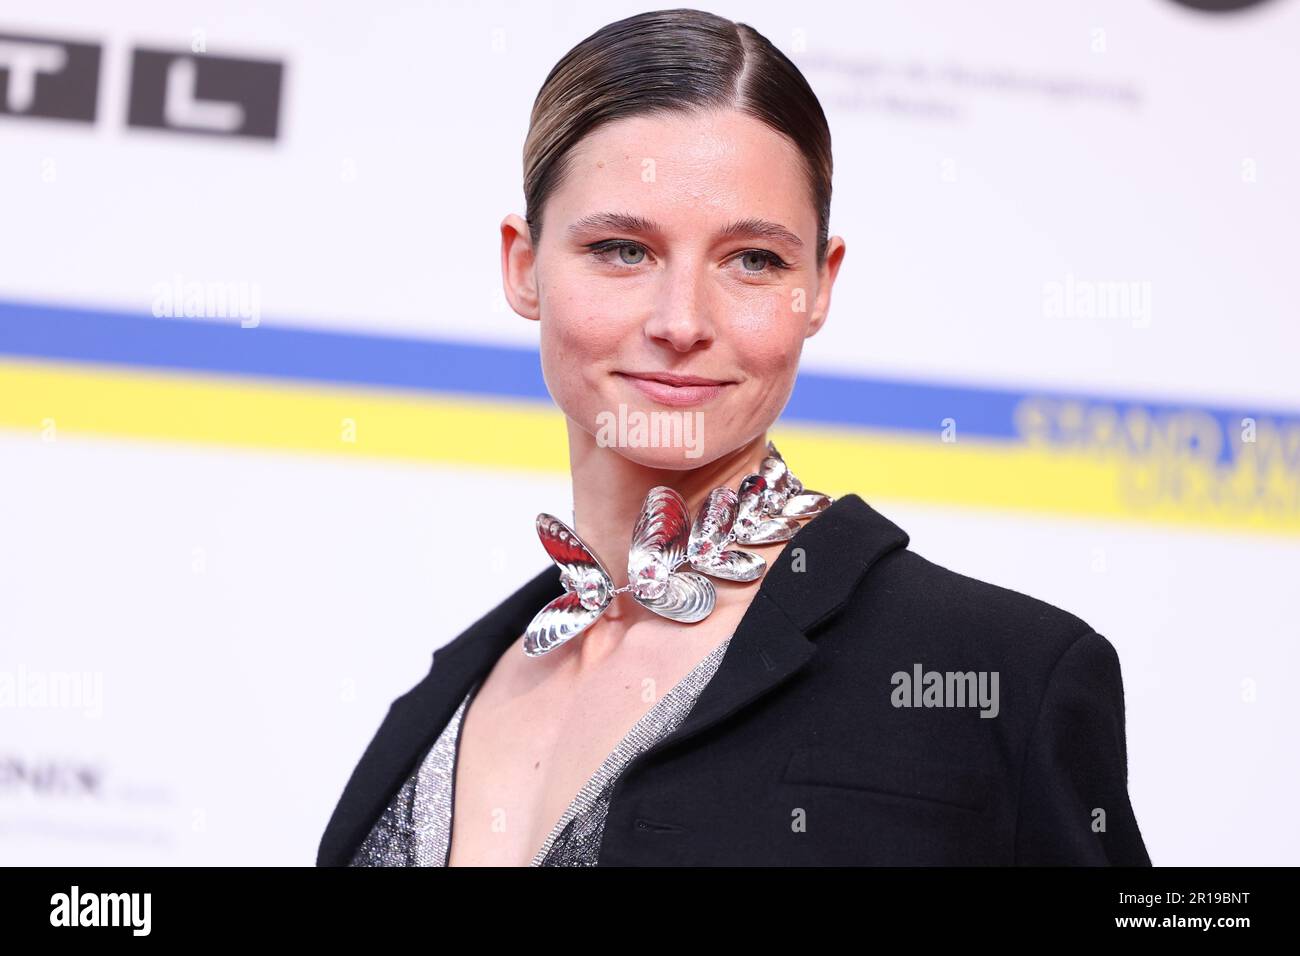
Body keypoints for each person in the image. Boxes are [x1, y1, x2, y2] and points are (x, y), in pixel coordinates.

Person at [317, 8, 1151, 867]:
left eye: (753, 260)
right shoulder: (437, 701)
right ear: (523, 267)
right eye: (620, 249)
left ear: (819, 288)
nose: (682, 323)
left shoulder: (1005, 677)